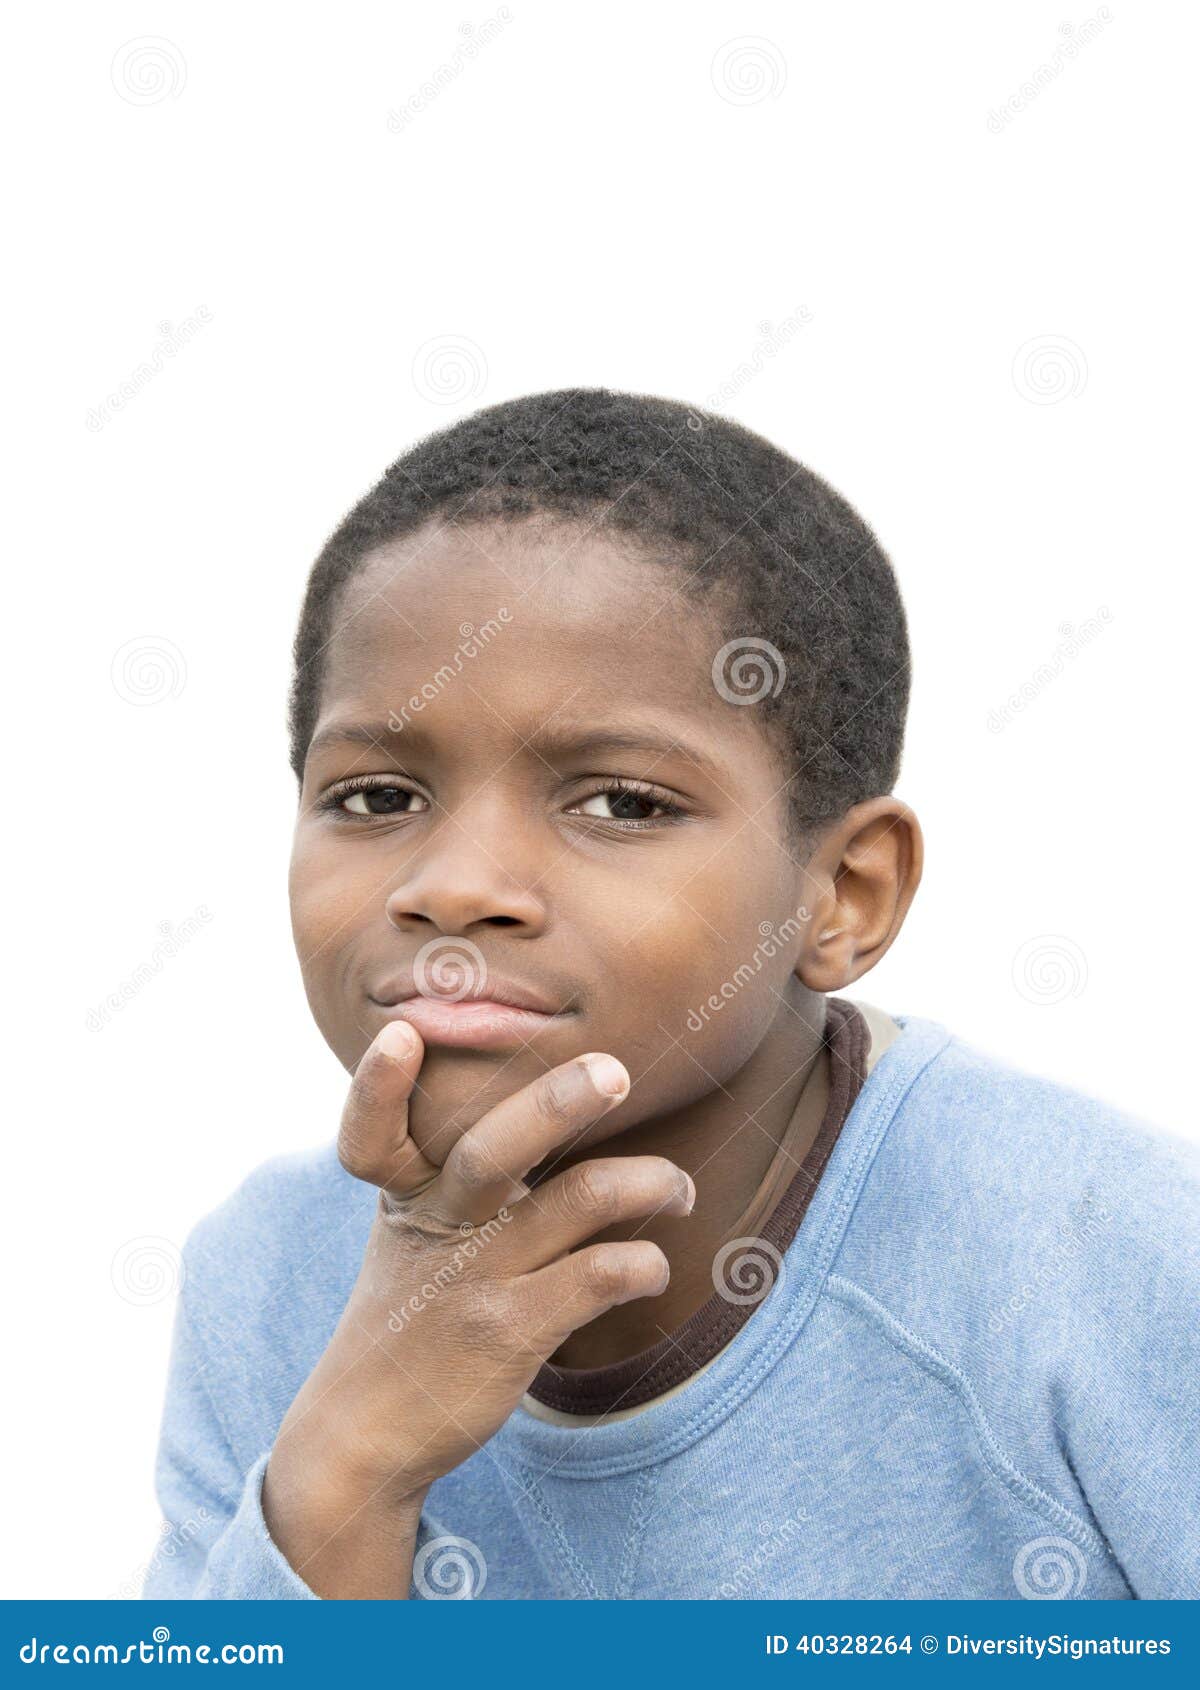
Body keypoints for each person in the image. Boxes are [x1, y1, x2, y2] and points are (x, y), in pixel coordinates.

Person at [141, 388, 1199, 1600]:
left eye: (621, 803)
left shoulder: (1112, 1263)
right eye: (378, 796)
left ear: (845, 894)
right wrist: (345, 1470)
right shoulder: (269, 1276)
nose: (456, 888)